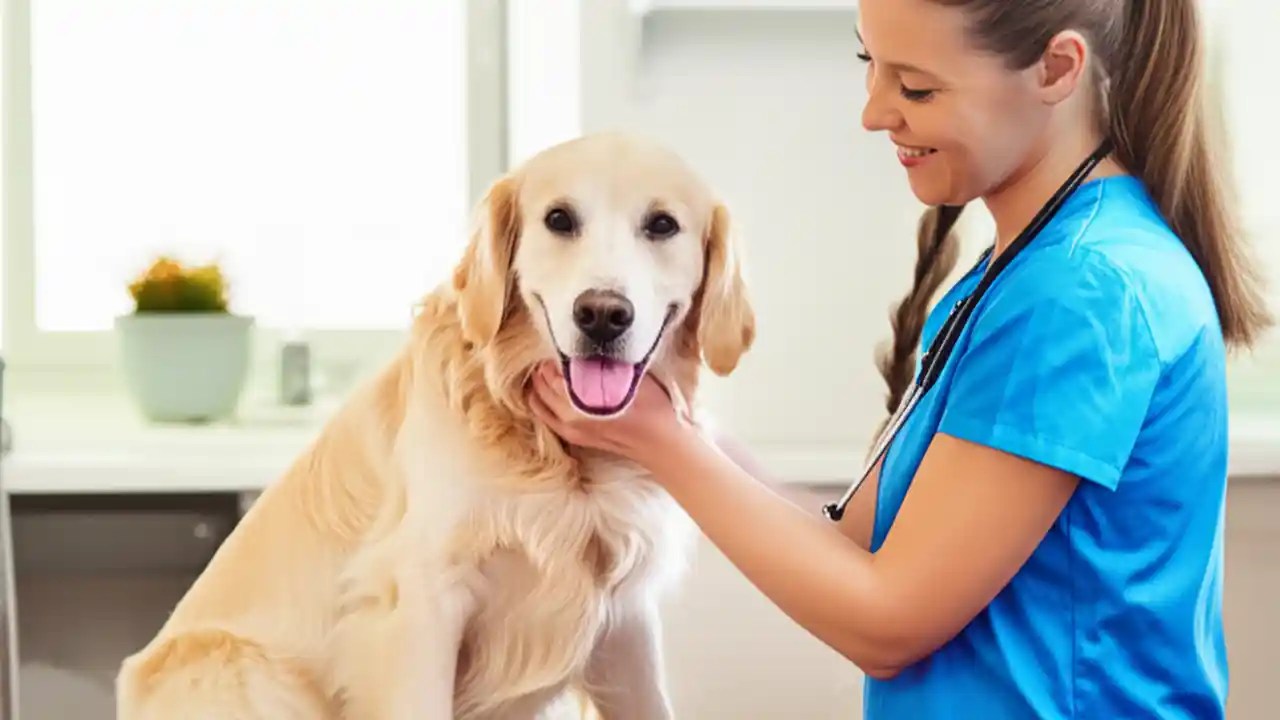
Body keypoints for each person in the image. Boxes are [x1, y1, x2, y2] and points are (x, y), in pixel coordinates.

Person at [529, 0, 1272, 717]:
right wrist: (677, 427)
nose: (874, 111)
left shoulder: (1081, 294)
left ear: (1055, 69)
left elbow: (888, 621)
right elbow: (856, 541)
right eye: (869, 64)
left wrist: (660, 443)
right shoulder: (1023, 274)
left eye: (915, 85)